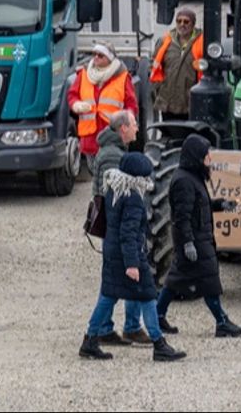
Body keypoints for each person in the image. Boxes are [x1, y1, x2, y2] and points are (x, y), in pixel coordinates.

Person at [80, 153, 187, 362]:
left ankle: (90, 340)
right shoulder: (134, 198)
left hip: (113, 253)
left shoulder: (114, 189)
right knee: (147, 296)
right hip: (129, 258)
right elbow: (129, 234)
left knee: (108, 296)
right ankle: (159, 344)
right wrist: (132, 264)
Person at [157, 134, 241, 338]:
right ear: (197, 157)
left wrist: (221, 204)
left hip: (198, 237)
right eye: (207, 156)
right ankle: (222, 321)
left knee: (175, 279)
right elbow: (182, 217)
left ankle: (157, 315)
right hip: (195, 239)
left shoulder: (193, 177)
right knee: (209, 280)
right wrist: (188, 242)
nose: (210, 160)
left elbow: (200, 205)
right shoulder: (184, 181)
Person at [90, 110, 148, 345]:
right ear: (122, 128)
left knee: (116, 280)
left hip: (116, 229)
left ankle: (112, 327)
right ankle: (109, 329)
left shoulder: (114, 151)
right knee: (119, 280)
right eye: (134, 123)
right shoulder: (114, 157)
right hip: (118, 230)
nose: (137, 128)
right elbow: (115, 196)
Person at [68, 43, 139, 158]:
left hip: (113, 137)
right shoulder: (84, 74)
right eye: (94, 54)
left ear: (110, 59)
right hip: (89, 138)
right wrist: (75, 104)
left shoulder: (122, 77)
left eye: (101, 55)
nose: (96, 57)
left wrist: (129, 120)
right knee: (94, 172)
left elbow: (131, 104)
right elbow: (72, 95)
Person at [150, 8, 204, 121]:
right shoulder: (165, 41)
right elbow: (154, 64)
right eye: (179, 21)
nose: (182, 24)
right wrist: (159, 88)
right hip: (167, 103)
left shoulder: (202, 42)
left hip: (190, 104)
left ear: (193, 24)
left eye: (186, 21)